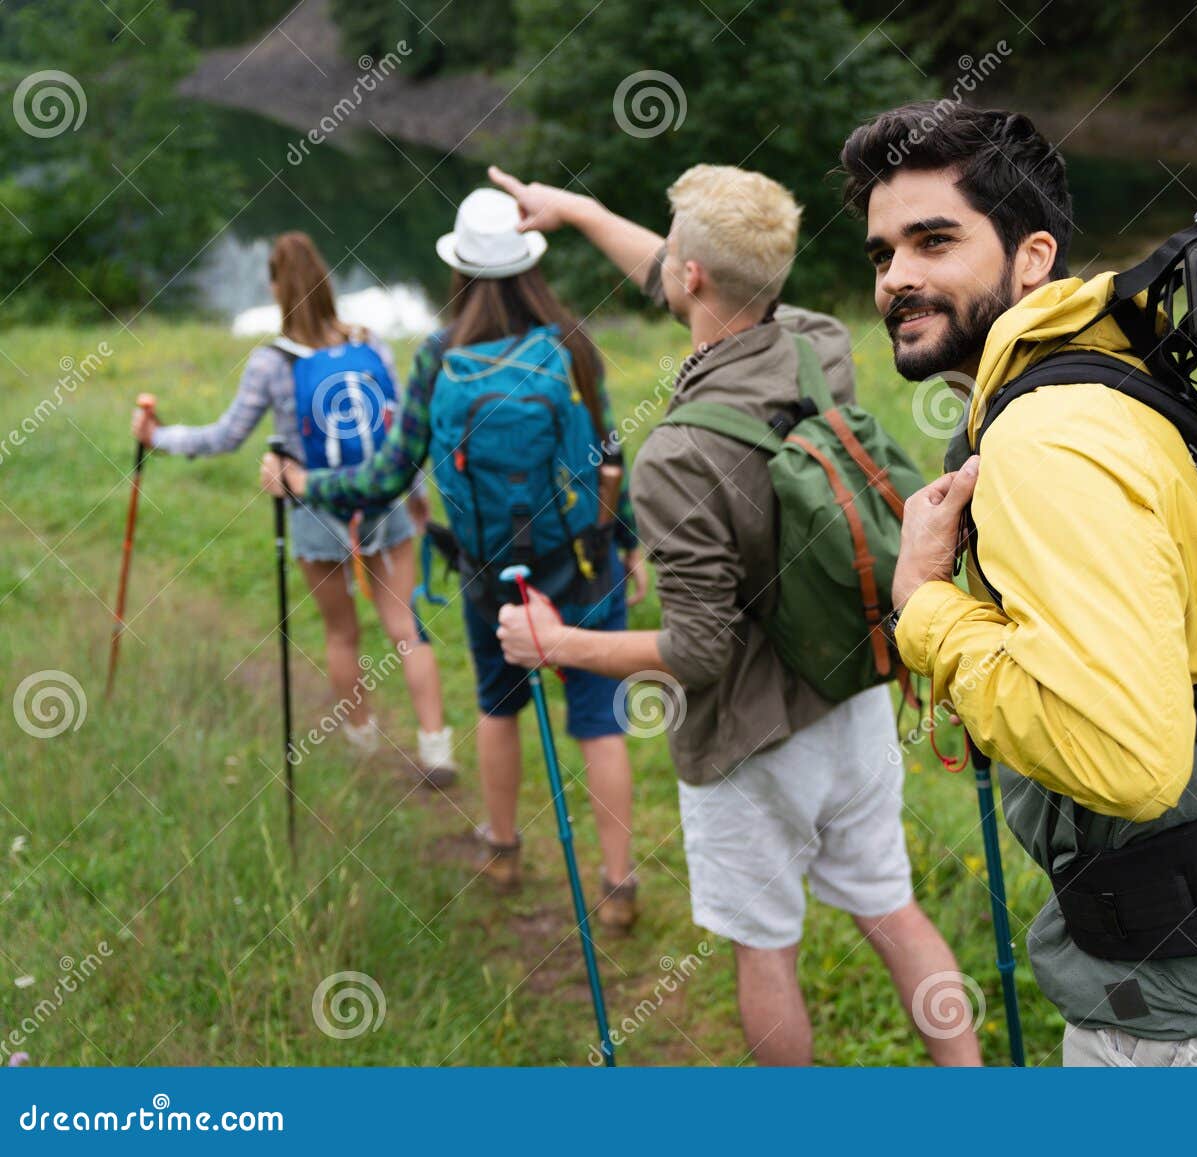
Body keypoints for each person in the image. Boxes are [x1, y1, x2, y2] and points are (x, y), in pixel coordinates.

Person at [838, 103, 1197, 1066]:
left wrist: (926, 605)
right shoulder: (1110, 372)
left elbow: (1125, 761)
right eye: (880, 254)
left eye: (933, 239)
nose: (897, 275)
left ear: (1033, 257)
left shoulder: (1050, 434)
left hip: (1188, 984)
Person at [486, 162, 982, 1067]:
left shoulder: (676, 455)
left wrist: (558, 642)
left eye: (678, 255)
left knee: (765, 947)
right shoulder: (818, 342)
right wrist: (583, 208)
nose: (669, 265)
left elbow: (701, 653)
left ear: (693, 276)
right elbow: (687, 276)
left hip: (752, 739)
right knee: (891, 908)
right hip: (854, 695)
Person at [259, 191, 645, 929]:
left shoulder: (438, 355)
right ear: (530, 264)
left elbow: (389, 474)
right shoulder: (571, 343)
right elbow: (607, 460)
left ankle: (501, 849)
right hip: (582, 562)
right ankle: (617, 885)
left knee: (498, 706)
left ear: (460, 270)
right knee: (600, 720)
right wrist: (623, 542)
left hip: (486, 568)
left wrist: (309, 482)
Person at [133, 231, 456, 785]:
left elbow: (226, 436)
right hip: (383, 499)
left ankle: (362, 743)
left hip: (315, 510)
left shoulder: (271, 363)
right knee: (406, 627)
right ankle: (437, 748)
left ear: (276, 287)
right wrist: (419, 496)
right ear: (327, 280)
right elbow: (403, 430)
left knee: (342, 635)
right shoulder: (371, 342)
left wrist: (158, 437)